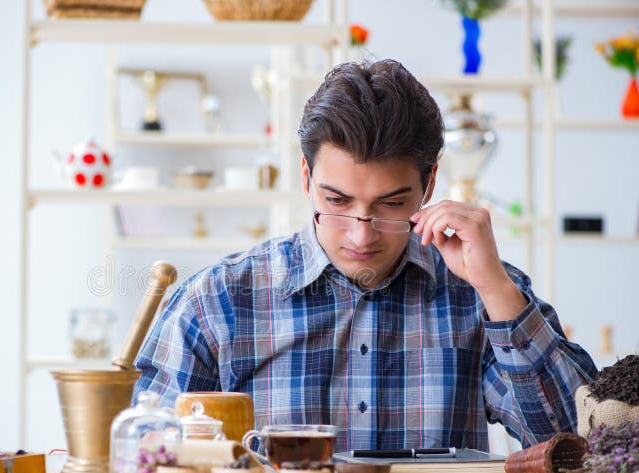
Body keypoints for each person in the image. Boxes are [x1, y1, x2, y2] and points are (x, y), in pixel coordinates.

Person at [132, 59, 597, 452]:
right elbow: (146, 457)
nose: (361, 234)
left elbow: (576, 446)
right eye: (336, 202)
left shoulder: (479, 295)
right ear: (306, 179)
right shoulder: (219, 300)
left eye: (391, 204)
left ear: (429, 185)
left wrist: (495, 288)